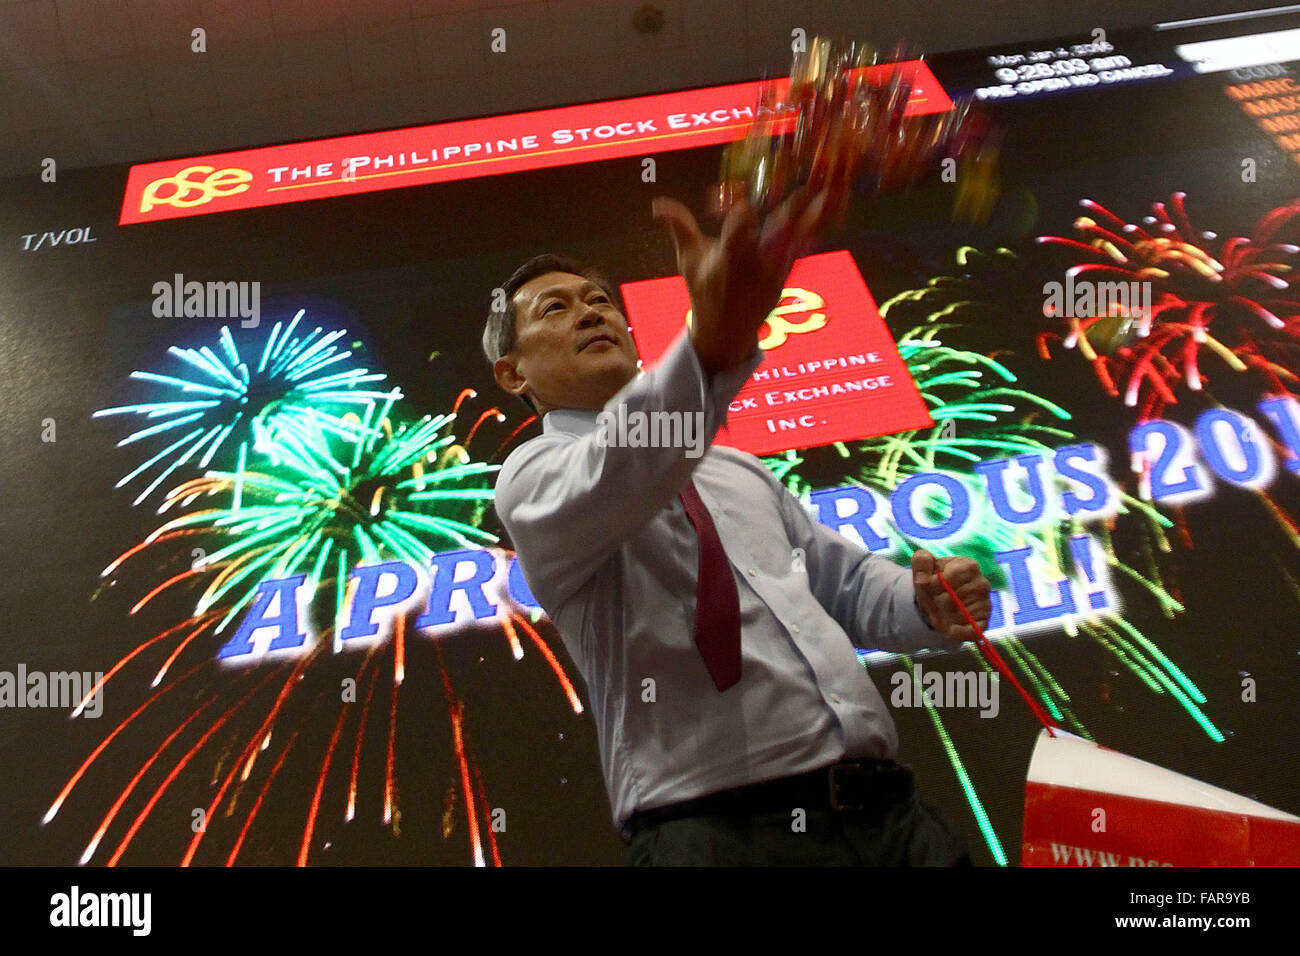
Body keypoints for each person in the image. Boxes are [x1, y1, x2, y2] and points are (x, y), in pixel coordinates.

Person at [482, 164, 993, 865]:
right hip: (714, 836)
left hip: (888, 820)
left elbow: (846, 587)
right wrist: (714, 346)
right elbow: (627, 463)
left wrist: (924, 603)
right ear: (514, 375)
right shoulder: (533, 479)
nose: (594, 312)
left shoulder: (734, 468)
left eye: (601, 300)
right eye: (557, 310)